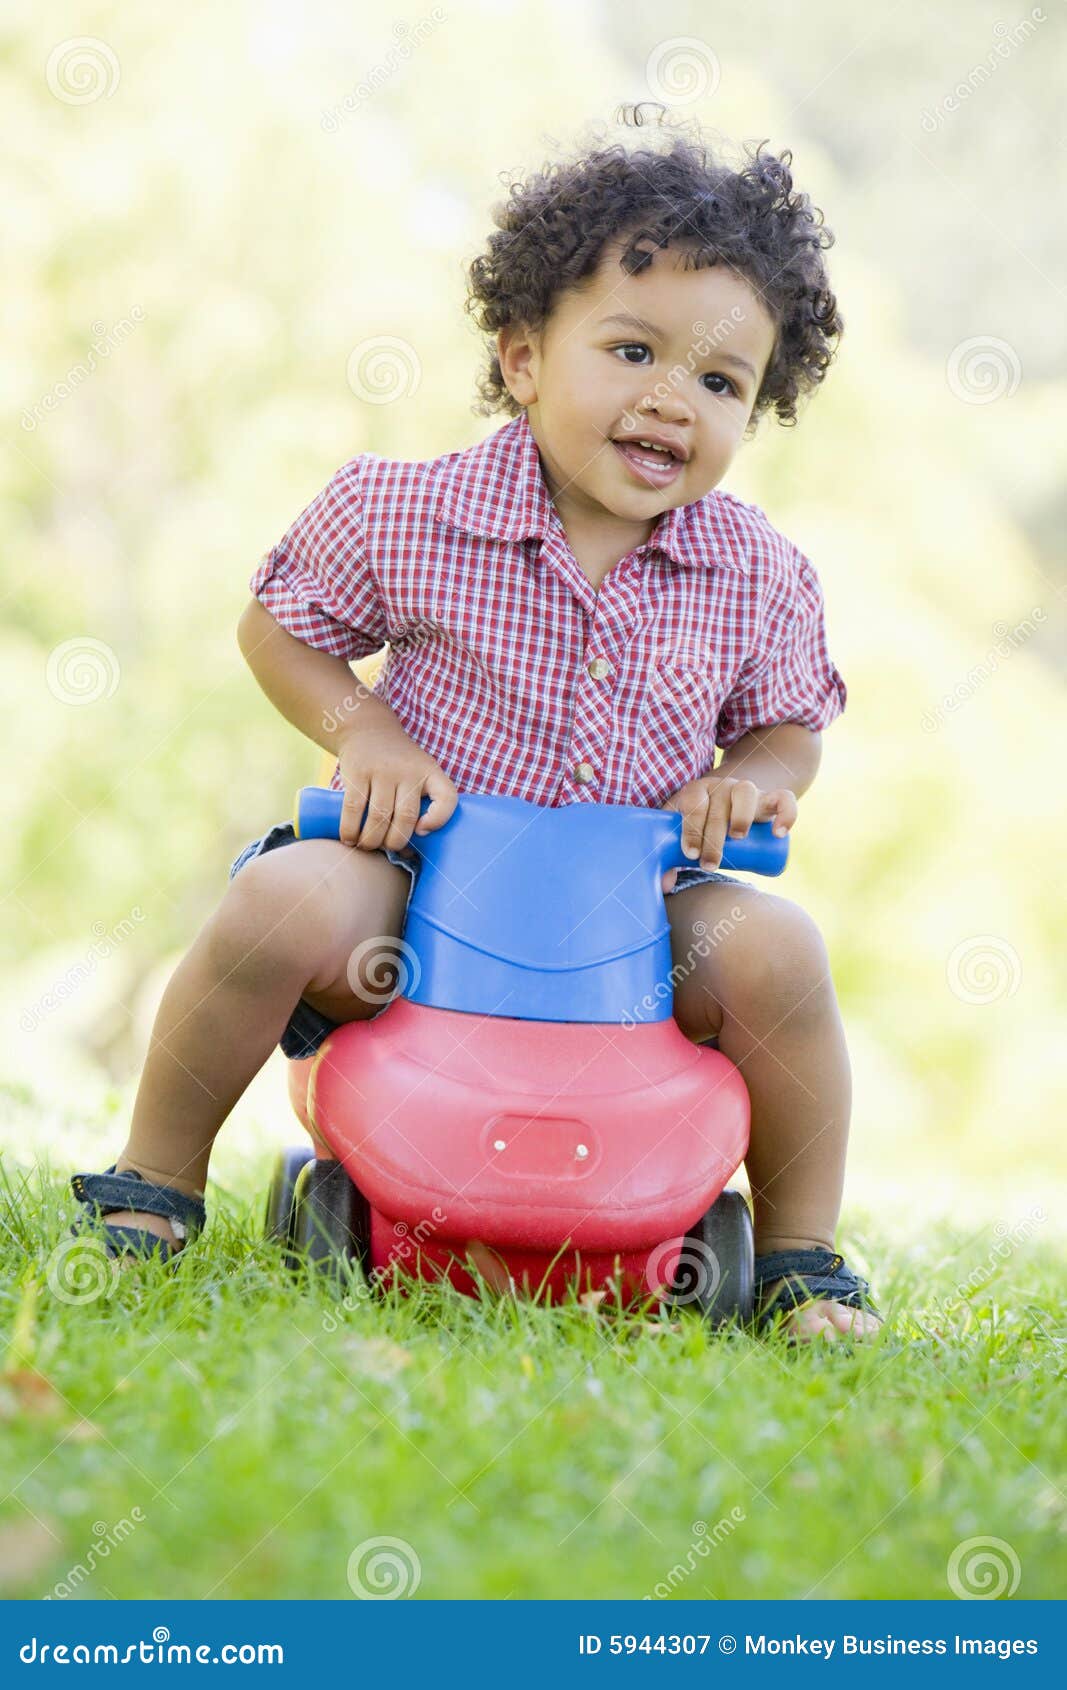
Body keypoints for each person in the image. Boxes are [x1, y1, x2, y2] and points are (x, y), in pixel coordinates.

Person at [69, 113, 880, 1341]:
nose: (673, 400)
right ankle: (154, 1182)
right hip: (418, 886)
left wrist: (749, 784)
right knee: (280, 900)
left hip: (637, 920)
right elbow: (279, 626)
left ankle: (800, 1255)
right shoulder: (410, 513)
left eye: (720, 382)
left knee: (778, 951)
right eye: (631, 350)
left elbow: (787, 729)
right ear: (520, 358)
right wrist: (368, 732)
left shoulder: (756, 572)